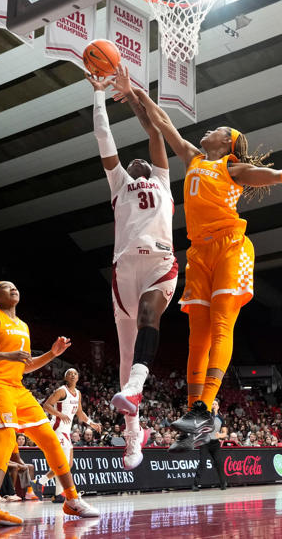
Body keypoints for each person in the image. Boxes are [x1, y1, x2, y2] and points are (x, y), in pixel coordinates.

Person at [112, 71, 282, 450]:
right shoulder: (192, 158)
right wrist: (133, 92)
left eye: (220, 129)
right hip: (200, 251)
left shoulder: (232, 169)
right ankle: (195, 418)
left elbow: (277, 176)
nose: (211, 130)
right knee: (197, 334)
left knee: (222, 320)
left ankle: (205, 407)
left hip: (231, 246)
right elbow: (159, 121)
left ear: (228, 144)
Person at [86, 70, 176, 470]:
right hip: (123, 272)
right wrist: (99, 96)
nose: (139, 157)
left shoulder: (162, 179)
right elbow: (105, 140)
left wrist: (134, 97)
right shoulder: (119, 183)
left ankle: (137, 387)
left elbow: (156, 133)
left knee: (149, 316)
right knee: (124, 359)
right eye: (133, 158)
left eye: (143, 157)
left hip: (159, 261)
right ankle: (132, 434)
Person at [0, 281, 98, 526]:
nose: (13, 288)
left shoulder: (22, 325)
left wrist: (51, 354)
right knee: (5, 439)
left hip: (16, 387)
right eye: (5, 287)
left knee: (49, 438)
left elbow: (25, 365)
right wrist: (6, 356)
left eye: (14, 286)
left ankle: (72, 499)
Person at [37, 368, 102, 502]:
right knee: (63, 464)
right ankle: (46, 486)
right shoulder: (62, 390)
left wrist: (92, 423)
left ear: (78, 377)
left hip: (66, 431)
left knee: (69, 464)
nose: (72, 375)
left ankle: (55, 491)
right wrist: (59, 414)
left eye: (75, 374)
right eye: (70, 374)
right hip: (57, 429)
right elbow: (46, 405)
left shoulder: (77, 393)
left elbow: (80, 413)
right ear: (66, 377)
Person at [192, 399, 227, 491]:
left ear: (218, 407)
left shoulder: (221, 418)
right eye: (212, 404)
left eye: (215, 404)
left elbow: (225, 433)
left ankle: (223, 484)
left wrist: (220, 435)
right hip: (205, 443)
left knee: (219, 463)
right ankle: (195, 484)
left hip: (215, 443)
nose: (214, 405)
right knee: (202, 463)